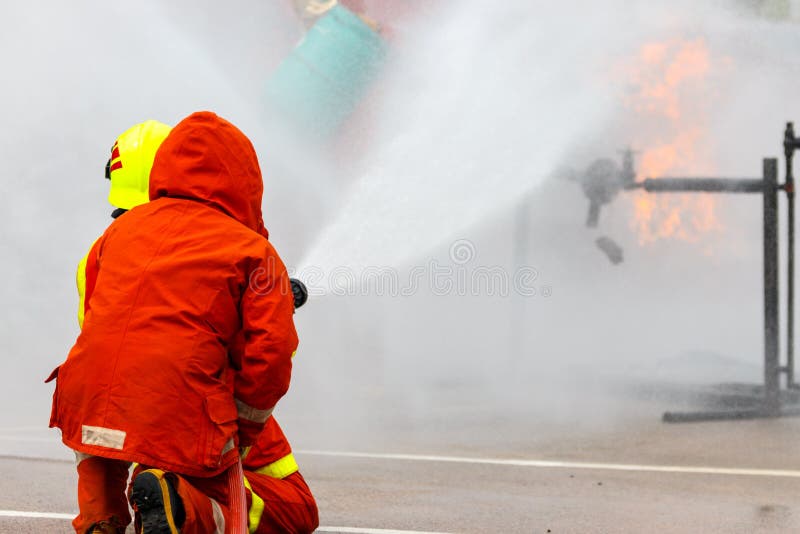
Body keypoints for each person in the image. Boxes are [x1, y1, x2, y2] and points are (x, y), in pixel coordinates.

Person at [49, 111, 303, 533]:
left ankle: (100, 516)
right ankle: (181, 502)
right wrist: (242, 428)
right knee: (288, 509)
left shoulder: (113, 238)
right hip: (184, 407)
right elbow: (270, 353)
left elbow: (103, 335)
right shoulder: (253, 251)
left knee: (104, 421)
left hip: (89, 409)